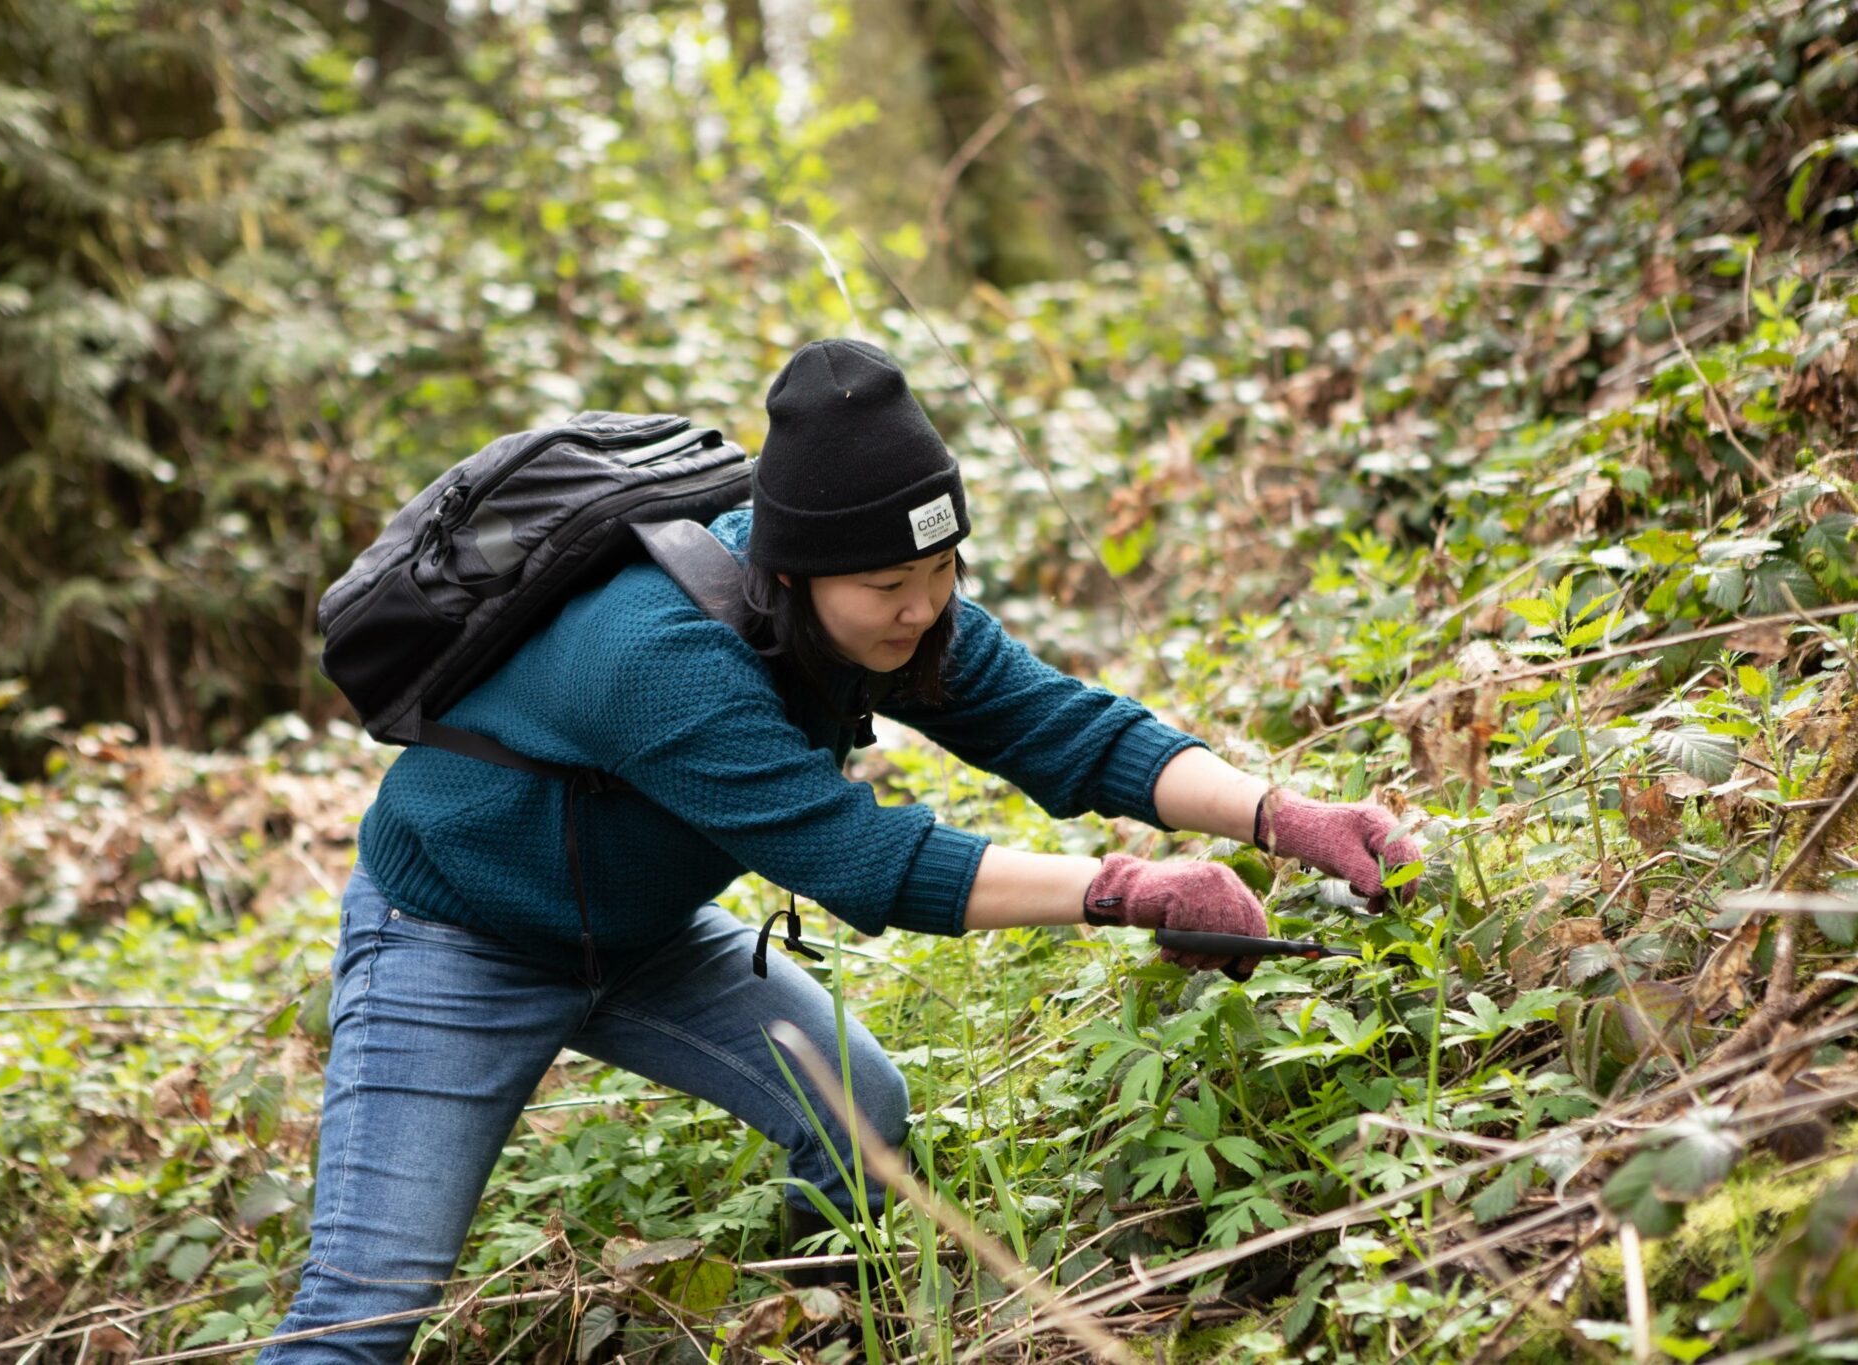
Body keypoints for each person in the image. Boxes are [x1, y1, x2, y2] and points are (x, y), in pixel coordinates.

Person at [258, 339, 1421, 1362]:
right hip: (455, 941)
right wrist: (1126, 891)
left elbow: (1062, 728)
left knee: (857, 1114)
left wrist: (1281, 816)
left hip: (642, 932)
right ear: (789, 571)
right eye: (887, 586)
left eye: (942, 570)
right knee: (366, 1307)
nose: (922, 608)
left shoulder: (889, 614)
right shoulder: (657, 654)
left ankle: (819, 1332)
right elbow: (861, 860)